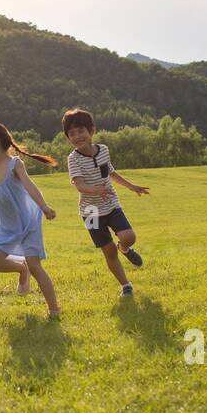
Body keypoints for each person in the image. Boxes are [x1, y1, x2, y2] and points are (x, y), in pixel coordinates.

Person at [0, 122, 60, 319]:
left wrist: (44, 206)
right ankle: (21, 269)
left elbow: (30, 187)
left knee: (36, 266)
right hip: (5, 227)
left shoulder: (15, 164)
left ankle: (54, 310)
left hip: (27, 224)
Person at [62, 107, 149, 298]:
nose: (77, 137)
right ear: (68, 138)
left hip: (110, 204)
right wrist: (96, 190)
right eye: (72, 134)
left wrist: (131, 186)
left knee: (129, 236)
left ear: (92, 130)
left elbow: (109, 172)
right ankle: (126, 285)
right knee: (108, 251)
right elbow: (80, 185)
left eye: (81, 131)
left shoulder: (103, 151)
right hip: (90, 211)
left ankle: (124, 248)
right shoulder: (73, 159)